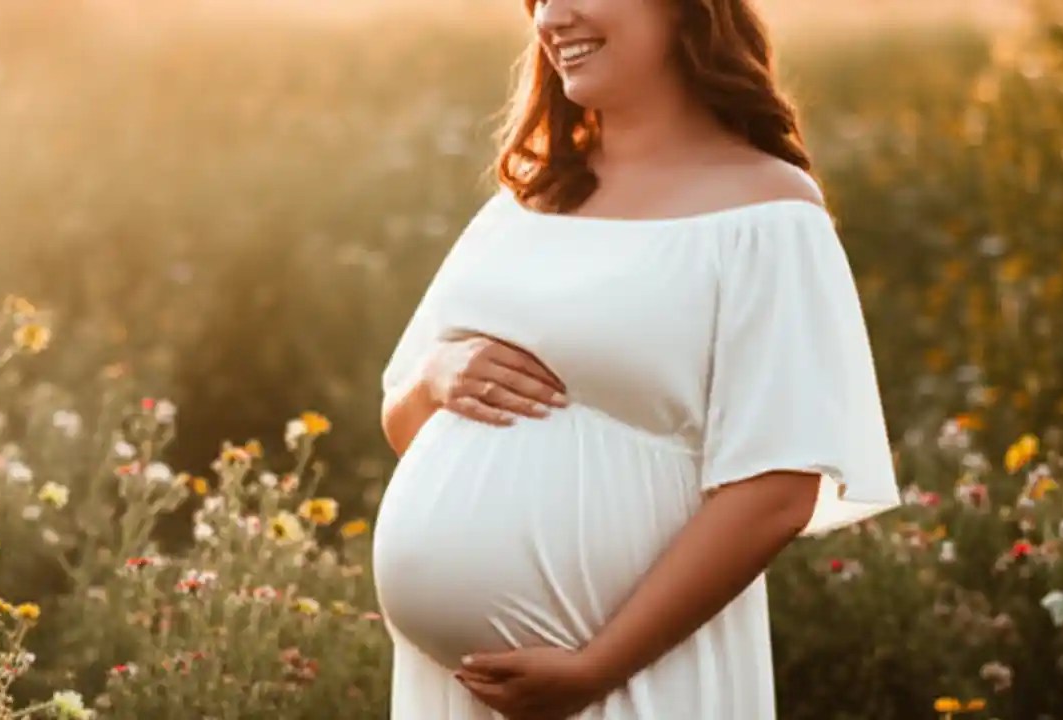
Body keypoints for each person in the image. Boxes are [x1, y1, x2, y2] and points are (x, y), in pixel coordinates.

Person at [371, 1, 903, 718]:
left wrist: (597, 667)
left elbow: (777, 489)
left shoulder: (768, 215)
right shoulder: (526, 199)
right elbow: (407, 428)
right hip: (456, 690)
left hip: (631, 681)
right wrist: (437, 376)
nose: (552, 16)